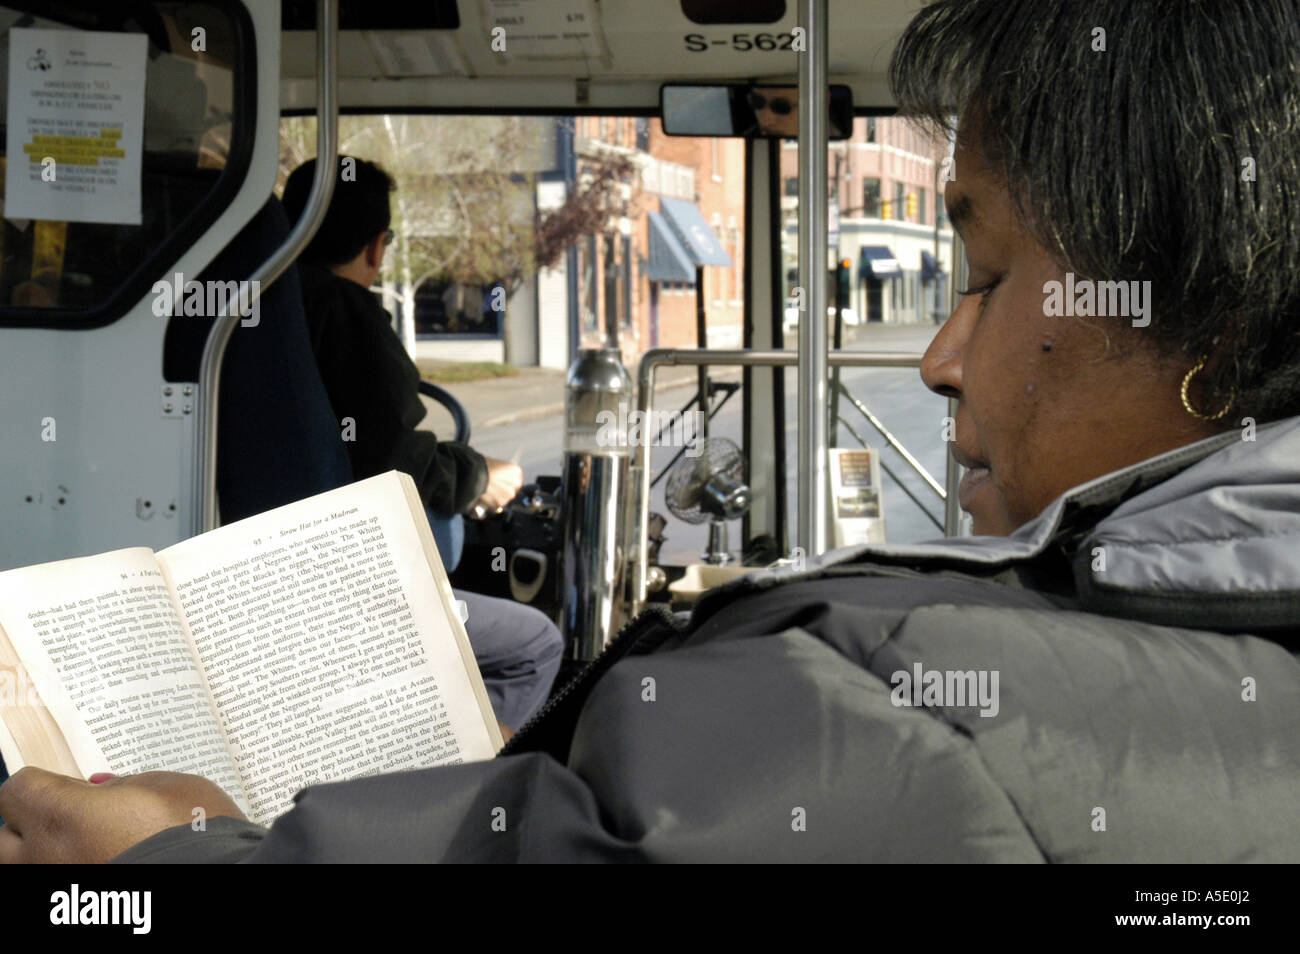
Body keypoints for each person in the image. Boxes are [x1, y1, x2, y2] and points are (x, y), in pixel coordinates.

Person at [3, 0, 1300, 863]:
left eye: (989, 278)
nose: (947, 357)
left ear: (1218, 332)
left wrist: (169, 862)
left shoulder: (935, 723)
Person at [279, 156, 561, 731]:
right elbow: (390, 461)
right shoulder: (345, 314)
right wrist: (482, 477)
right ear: (378, 247)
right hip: (353, 590)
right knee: (534, 644)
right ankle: (457, 790)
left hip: (286, 570)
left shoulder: (265, 308)